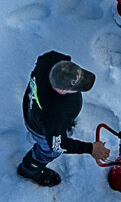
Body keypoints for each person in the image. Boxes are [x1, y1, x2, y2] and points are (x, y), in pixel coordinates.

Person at [19, 52, 106, 187]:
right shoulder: (54, 115)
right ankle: (30, 168)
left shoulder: (49, 62)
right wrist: (92, 148)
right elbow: (58, 145)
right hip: (42, 128)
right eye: (76, 88)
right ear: (60, 89)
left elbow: (45, 57)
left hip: (34, 110)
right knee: (49, 151)